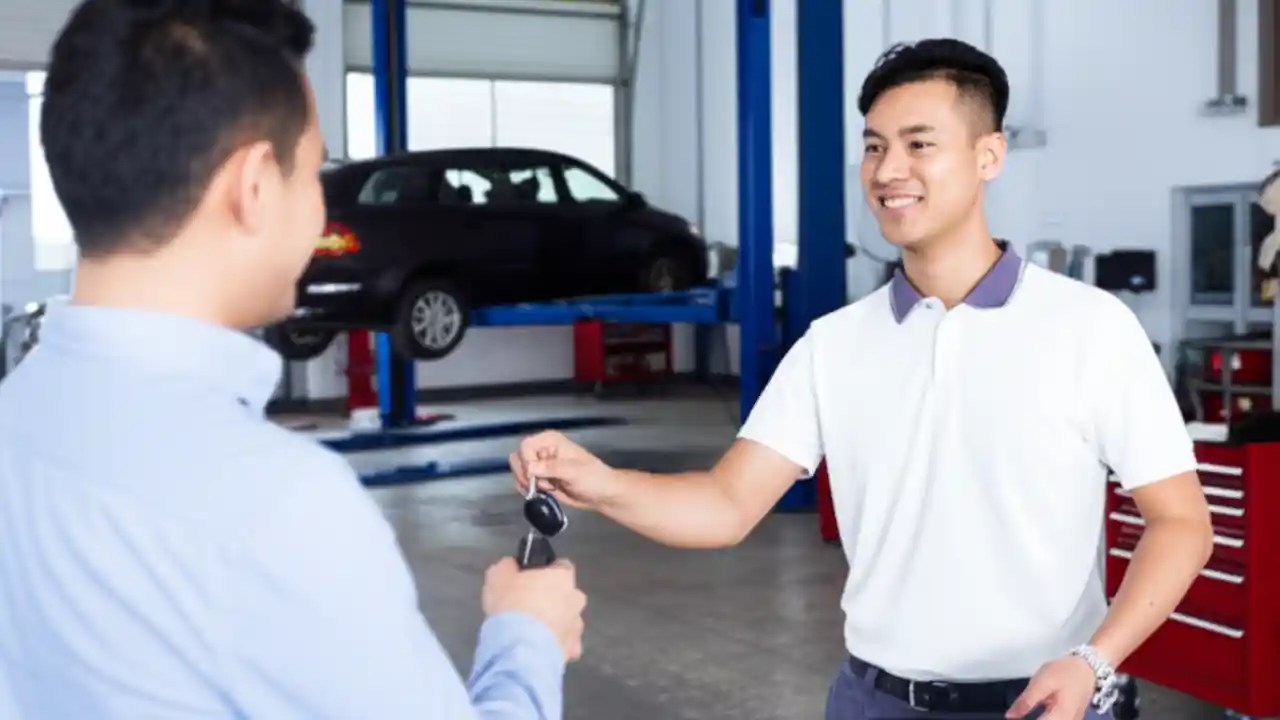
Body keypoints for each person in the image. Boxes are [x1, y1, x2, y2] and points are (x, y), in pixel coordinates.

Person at [510, 39, 1214, 720]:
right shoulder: (834, 346)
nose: (887, 170)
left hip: (1046, 702)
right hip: (873, 702)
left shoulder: (1089, 328)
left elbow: (1181, 523)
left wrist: (1094, 660)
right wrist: (600, 481)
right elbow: (726, 506)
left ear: (988, 155)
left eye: (919, 144)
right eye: (874, 146)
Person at [0, 1, 584, 718]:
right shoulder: (280, 505)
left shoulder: (17, 416)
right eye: (313, 174)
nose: (320, 214)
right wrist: (526, 636)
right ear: (252, 189)